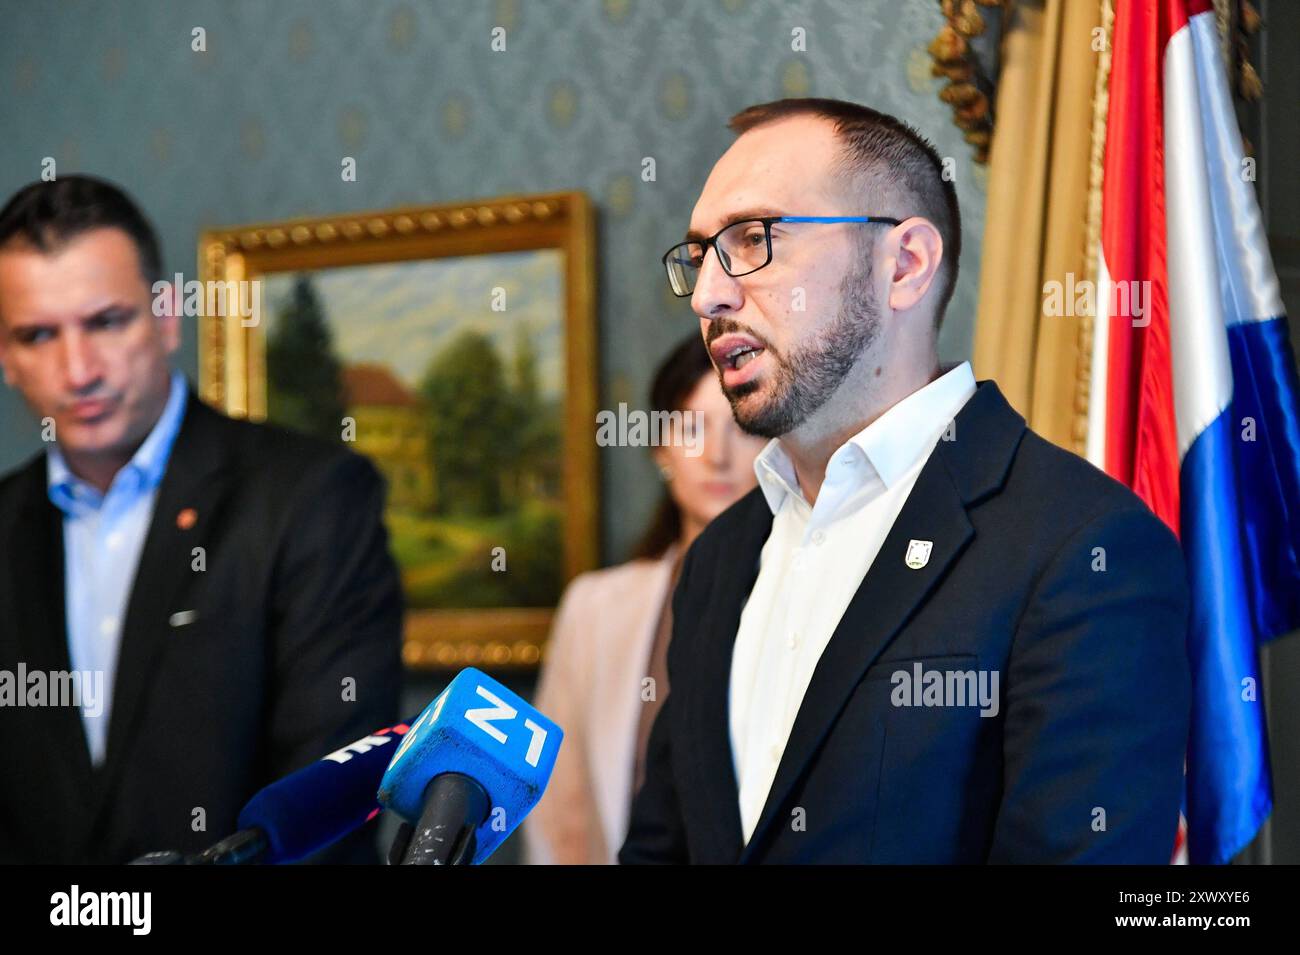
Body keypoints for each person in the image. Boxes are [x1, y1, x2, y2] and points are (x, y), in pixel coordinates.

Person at [620, 98, 1191, 864]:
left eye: (754, 240)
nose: (707, 296)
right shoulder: (720, 557)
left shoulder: (1082, 547)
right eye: (699, 256)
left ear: (904, 265)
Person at [0, 176, 403, 863]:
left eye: (106, 321)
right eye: (39, 334)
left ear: (166, 317)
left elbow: (329, 805)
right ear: (6, 356)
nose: (78, 369)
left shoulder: (309, 497)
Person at [525, 334, 766, 864]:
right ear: (661, 447)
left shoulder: (791, 590)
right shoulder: (595, 607)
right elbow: (557, 796)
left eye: (741, 429)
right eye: (692, 428)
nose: (716, 456)